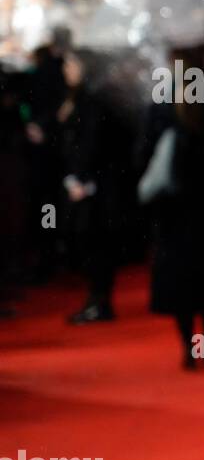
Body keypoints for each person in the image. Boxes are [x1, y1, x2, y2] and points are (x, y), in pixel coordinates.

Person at [141, 52, 204, 369]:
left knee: (181, 280)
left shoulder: (161, 108)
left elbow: (143, 154)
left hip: (177, 210)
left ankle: (189, 346)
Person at [57, 50, 133, 324]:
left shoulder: (93, 100)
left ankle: (99, 301)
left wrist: (80, 178)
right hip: (93, 184)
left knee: (93, 242)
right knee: (91, 242)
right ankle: (97, 300)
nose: (66, 69)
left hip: (95, 187)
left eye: (70, 64)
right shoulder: (84, 98)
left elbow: (92, 143)